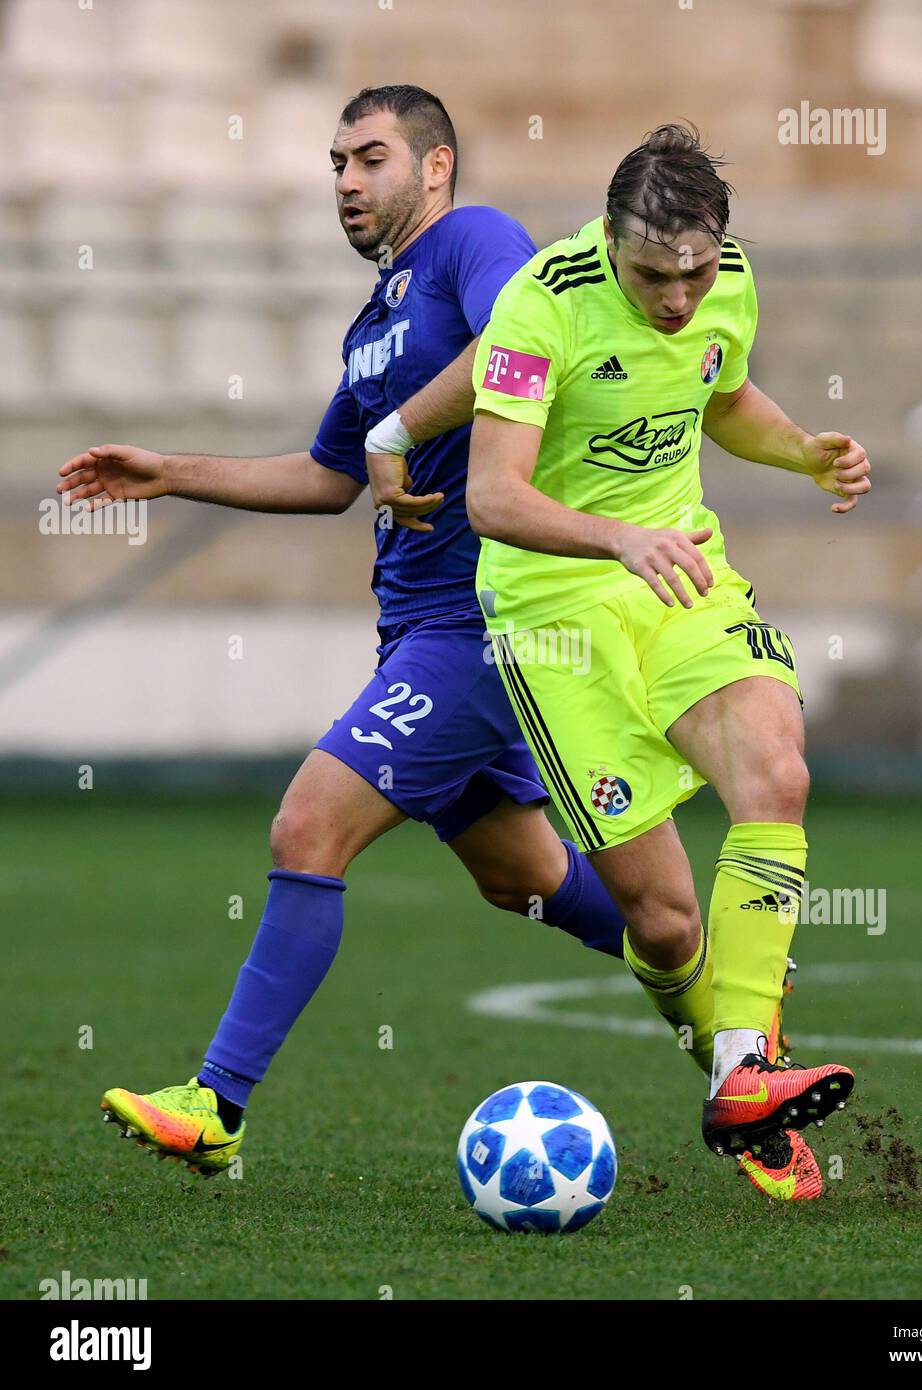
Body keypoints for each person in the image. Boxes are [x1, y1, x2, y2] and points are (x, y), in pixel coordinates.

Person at [58, 86, 625, 1177]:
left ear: (438, 166)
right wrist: (169, 472)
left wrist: (401, 427)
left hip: (480, 623)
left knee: (306, 828)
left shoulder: (474, 242)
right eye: (335, 164)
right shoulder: (376, 322)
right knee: (528, 880)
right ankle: (733, 1018)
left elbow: (526, 343)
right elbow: (328, 477)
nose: (347, 183)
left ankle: (216, 1102)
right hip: (422, 632)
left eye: (370, 158)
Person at [466, 124, 872, 1198]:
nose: (680, 298)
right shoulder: (541, 303)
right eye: (654, 275)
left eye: (695, 273)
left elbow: (723, 396)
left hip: (681, 580)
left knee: (777, 770)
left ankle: (747, 1076)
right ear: (609, 240)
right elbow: (490, 496)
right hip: (557, 615)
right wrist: (615, 539)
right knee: (664, 917)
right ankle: (732, 1066)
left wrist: (803, 450)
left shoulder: (727, 283)